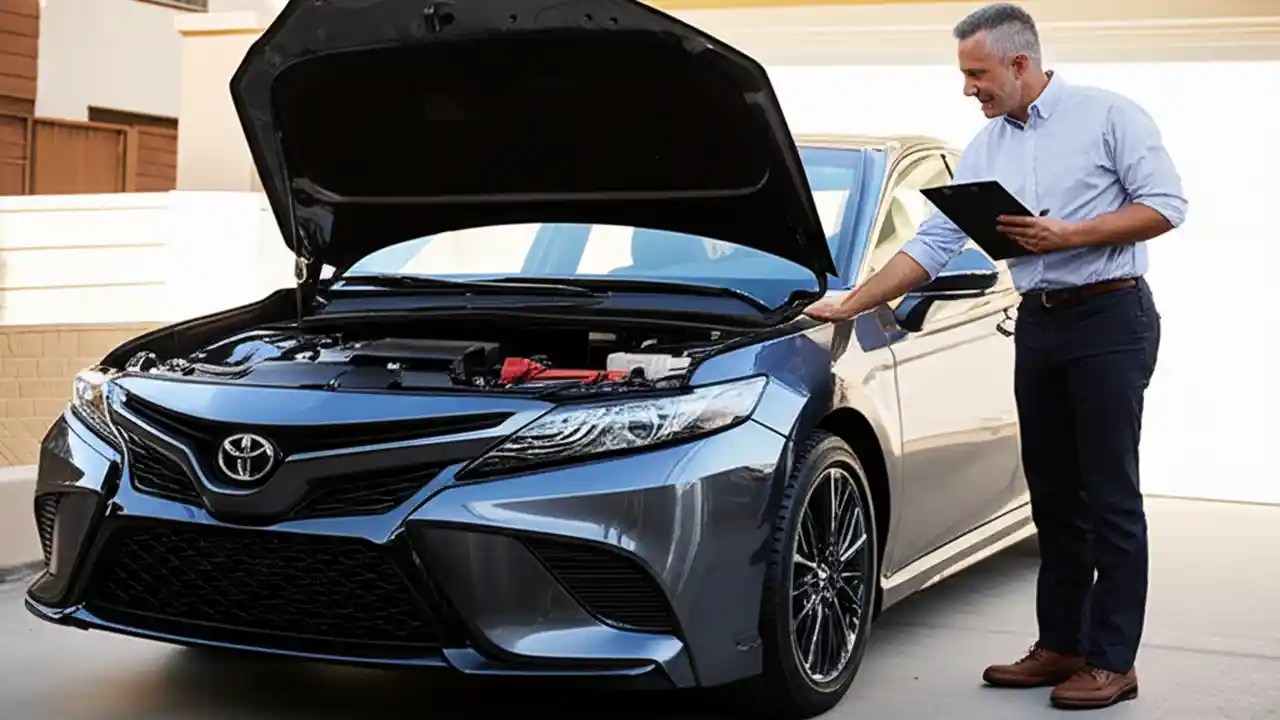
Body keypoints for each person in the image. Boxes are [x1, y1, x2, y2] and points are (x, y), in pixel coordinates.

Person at [803, 2, 1186, 711]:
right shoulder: (984, 149)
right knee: (1052, 497)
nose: (968, 88)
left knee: (1109, 499)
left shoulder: (1108, 115)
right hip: (1038, 323)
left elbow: (1166, 205)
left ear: (1019, 63)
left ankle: (1112, 661)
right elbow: (930, 249)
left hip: (1109, 317)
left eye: (976, 73)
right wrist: (850, 303)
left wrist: (1067, 236)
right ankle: (1061, 646)